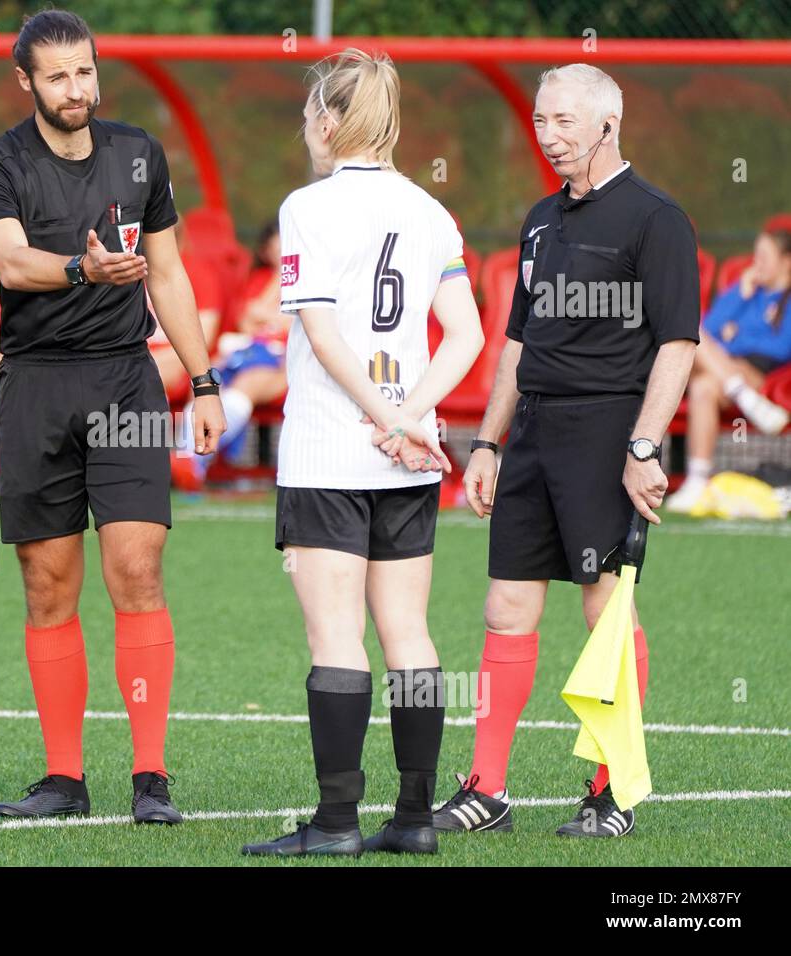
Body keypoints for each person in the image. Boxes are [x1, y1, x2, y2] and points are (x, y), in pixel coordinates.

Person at [0, 9, 225, 823]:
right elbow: (7, 260)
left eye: (85, 71)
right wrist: (82, 267)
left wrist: (205, 381)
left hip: (127, 383)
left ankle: (151, 777)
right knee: (48, 585)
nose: (76, 89)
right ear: (26, 83)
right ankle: (63, 781)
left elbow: (171, 277)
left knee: (137, 572)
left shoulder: (140, 153)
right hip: (36, 386)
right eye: (57, 76)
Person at [439, 64, 699, 839]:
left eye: (562, 122)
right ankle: (487, 790)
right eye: (541, 121)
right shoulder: (540, 220)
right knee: (506, 607)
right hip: (532, 438)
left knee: (604, 611)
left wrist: (644, 445)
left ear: (606, 126)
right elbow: (518, 342)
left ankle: (610, 791)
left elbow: (678, 346)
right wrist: (486, 441)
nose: (546, 135)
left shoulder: (657, 218)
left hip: (607, 434)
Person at [241, 50, 483, 858]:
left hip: (328, 451)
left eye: (312, 113)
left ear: (330, 121)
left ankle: (336, 823)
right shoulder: (430, 211)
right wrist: (412, 417)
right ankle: (415, 819)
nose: (307, 126)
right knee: (409, 631)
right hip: (407, 458)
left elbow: (321, 333)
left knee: (337, 639)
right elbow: (470, 335)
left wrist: (384, 414)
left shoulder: (308, 207)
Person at [0, 219, 221, 490]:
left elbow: (200, 336)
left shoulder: (194, 273)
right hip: (81, 349)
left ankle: (146, 470)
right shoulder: (109, 262)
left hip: (148, 358)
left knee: (124, 377)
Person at [666, 217, 791, 512]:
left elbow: (782, 347)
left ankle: (742, 393)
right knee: (702, 384)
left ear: (786, 261)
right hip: (726, 373)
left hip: (763, 374)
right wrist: (740, 294)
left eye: (764, 258)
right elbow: (707, 328)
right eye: (755, 256)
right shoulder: (745, 291)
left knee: (693, 344)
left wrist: (738, 338)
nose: (756, 264)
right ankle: (698, 481)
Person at [172, 220, 288, 490]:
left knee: (250, 383)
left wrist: (268, 314)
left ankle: (192, 460)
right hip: (246, 351)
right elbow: (248, 319)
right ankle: (190, 458)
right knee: (205, 379)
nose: (281, 246)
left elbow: (298, 323)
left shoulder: (312, 278)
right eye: (276, 240)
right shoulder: (259, 279)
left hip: (282, 362)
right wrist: (280, 278)